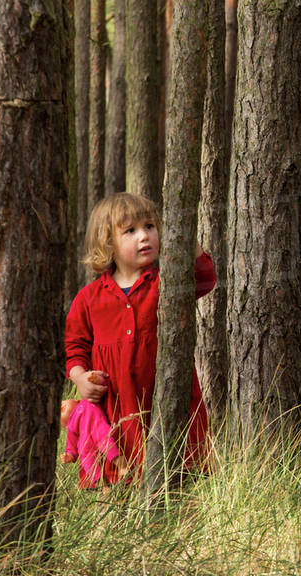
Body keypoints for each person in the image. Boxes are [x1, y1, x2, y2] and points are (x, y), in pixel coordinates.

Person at [64, 192, 217, 487]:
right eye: (130, 231)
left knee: (178, 475)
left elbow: (205, 277)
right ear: (108, 243)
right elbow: (75, 347)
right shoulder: (89, 298)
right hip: (116, 404)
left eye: (150, 226)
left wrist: (185, 234)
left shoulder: (167, 282)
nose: (144, 236)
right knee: (118, 479)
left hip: (164, 394)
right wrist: (80, 378)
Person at [60, 384, 121, 487]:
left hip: (97, 427)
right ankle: (102, 485)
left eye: (62, 403)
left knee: (107, 443)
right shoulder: (71, 427)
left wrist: (96, 380)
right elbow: (71, 445)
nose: (61, 407)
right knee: (86, 458)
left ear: (76, 401)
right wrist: (69, 456)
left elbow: (97, 388)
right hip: (85, 441)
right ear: (65, 426)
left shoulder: (85, 402)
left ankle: (122, 466)